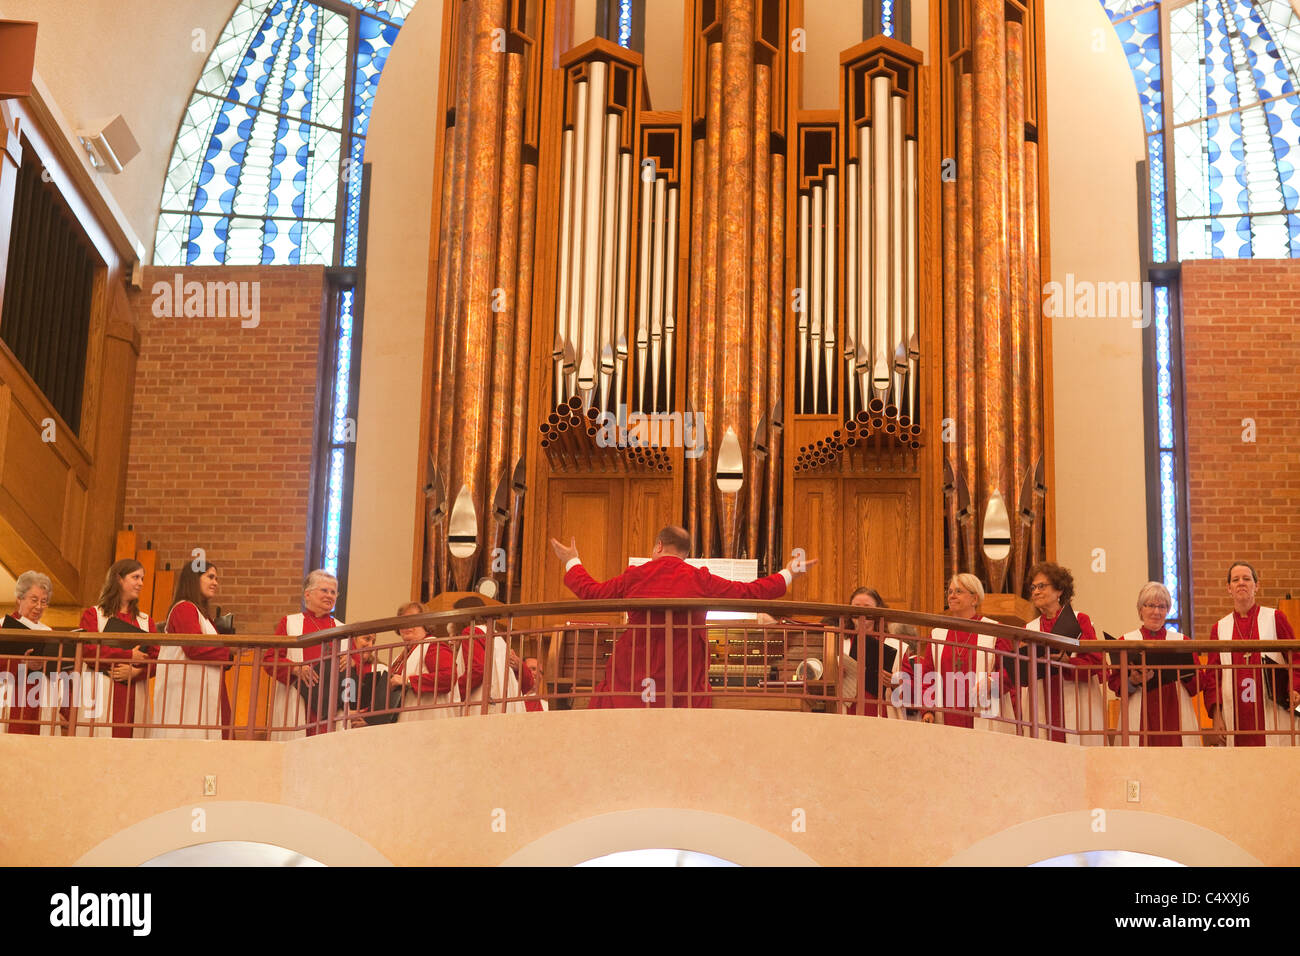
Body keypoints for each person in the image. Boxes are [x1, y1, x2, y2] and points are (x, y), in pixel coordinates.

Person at [552, 526, 815, 708]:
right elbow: (751, 592)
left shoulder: (635, 575)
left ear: (658, 546)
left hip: (635, 675)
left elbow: (592, 593)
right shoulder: (699, 578)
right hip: (682, 676)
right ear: (686, 554)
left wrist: (572, 560)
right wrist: (788, 573)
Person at [1202, 561, 1300, 747]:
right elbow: (1213, 676)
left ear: (1256, 586)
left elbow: (1295, 657)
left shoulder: (1274, 618)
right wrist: (1216, 717)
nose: (1241, 583)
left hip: (1273, 710)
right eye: (1235, 579)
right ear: (1228, 588)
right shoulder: (1220, 628)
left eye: (1247, 579)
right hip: (1234, 713)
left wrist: (1295, 687)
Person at [1017, 562, 1106, 745]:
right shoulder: (1029, 628)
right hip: (1042, 698)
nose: (1035, 592)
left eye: (1042, 586)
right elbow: (1021, 668)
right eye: (1033, 587)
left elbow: (1096, 661)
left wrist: (1068, 662)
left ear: (1059, 591)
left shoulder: (1080, 620)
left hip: (1075, 696)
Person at [1109, 581, 1206, 747]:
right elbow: (1115, 683)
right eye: (1150, 605)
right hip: (1139, 711)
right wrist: (1132, 681)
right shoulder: (1125, 641)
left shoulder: (1182, 642)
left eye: (1162, 607)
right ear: (1141, 609)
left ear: (1168, 611)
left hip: (1173, 711)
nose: (1156, 612)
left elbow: (1198, 684)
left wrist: (1185, 673)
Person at [73, 559, 156, 738]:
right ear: (119, 579)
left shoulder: (146, 621)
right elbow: (88, 650)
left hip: (135, 692)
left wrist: (136, 673)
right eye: (135, 577)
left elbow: (157, 658)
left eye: (142, 578)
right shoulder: (94, 614)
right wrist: (128, 655)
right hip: (101, 688)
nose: (141, 583)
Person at [264, 570, 348, 740]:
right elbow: (270, 659)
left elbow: (357, 666)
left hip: (330, 704)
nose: (329, 596)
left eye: (333, 592)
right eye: (324, 590)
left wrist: (351, 661)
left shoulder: (343, 628)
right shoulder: (289, 622)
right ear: (307, 594)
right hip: (297, 698)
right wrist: (295, 669)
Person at [151, 563, 231, 740]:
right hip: (187, 693)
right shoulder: (184, 608)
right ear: (194, 579)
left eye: (216, 578)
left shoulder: (202, 614)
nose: (215, 583)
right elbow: (194, 647)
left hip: (200, 690)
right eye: (210, 577)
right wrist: (228, 653)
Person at [928, 574, 1015, 732]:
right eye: (950, 592)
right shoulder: (937, 633)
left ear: (974, 599)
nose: (952, 595)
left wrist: (992, 682)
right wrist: (927, 709)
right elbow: (927, 675)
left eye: (959, 591)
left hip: (984, 710)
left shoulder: (995, 630)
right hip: (947, 713)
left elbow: (1010, 670)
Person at [836, 587, 933, 720]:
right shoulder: (838, 643)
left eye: (867, 607)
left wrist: (896, 683)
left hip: (884, 716)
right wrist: (834, 673)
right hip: (846, 715)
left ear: (878, 611)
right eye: (856, 607)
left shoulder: (895, 647)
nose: (861, 612)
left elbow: (915, 693)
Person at [450, 596, 526, 715]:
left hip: (484, 701)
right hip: (504, 701)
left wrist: (454, 692)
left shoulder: (472, 631)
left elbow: (477, 670)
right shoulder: (497, 636)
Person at [1, 571, 55, 735]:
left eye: (44, 601)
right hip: (10, 691)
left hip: (41, 691)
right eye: (34, 600)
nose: (39, 606)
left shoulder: (48, 631)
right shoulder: (4, 626)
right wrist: (21, 663)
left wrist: (47, 664)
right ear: (19, 598)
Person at [390, 600, 459, 722]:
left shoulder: (432, 645)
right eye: (403, 621)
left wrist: (408, 680)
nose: (407, 626)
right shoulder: (400, 655)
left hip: (429, 720)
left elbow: (448, 677)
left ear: (425, 623)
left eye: (413, 620)